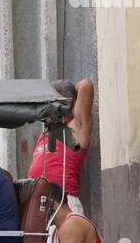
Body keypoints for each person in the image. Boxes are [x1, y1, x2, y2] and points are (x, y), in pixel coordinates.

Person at [29, 78, 94, 214]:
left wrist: (65, 102)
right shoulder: (47, 133)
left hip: (63, 202)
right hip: (40, 201)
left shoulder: (76, 127)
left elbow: (85, 85)